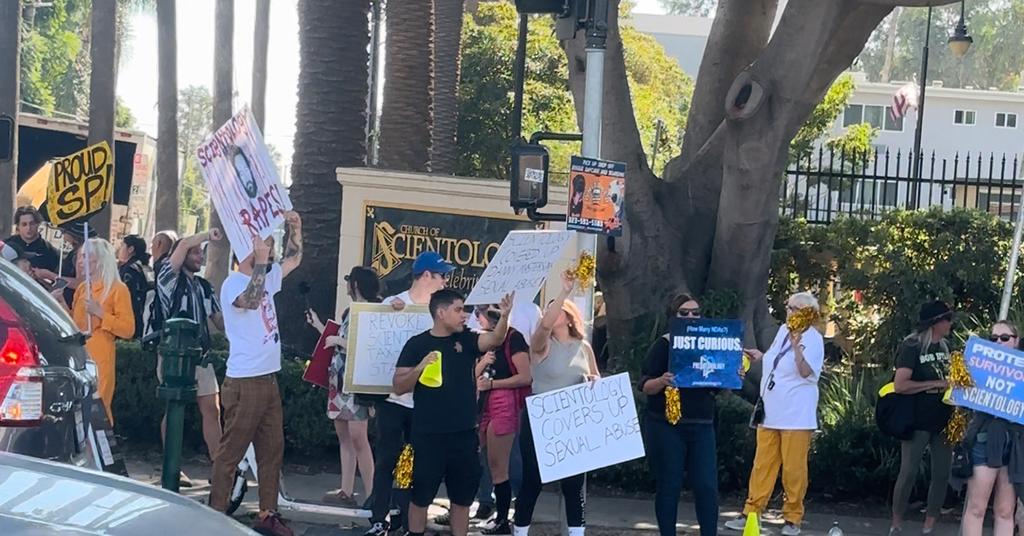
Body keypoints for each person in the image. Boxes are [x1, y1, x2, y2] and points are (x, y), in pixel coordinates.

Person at [209, 212, 302, 536]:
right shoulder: (233, 283)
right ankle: (216, 514)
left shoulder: (267, 273)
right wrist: (261, 263)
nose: (269, 246)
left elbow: (294, 259)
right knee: (230, 453)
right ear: (247, 250)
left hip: (268, 377)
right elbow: (249, 300)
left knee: (271, 450)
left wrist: (296, 228)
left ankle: (267, 513)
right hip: (244, 380)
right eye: (262, 243)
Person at [392, 289, 515, 536]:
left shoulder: (468, 339)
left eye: (465, 310)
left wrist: (504, 317)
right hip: (427, 436)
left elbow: (494, 340)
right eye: (458, 310)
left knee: (462, 500)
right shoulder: (417, 344)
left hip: (463, 436)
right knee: (421, 497)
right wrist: (420, 368)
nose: (464, 316)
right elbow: (398, 386)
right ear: (441, 312)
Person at [364, 251, 455, 536]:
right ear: (426, 275)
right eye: (441, 275)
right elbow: (372, 342)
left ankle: (405, 518)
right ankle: (379, 518)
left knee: (413, 463)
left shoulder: (440, 312)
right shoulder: (394, 304)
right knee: (386, 460)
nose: (444, 281)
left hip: (424, 403)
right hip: (393, 400)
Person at [724, 292, 825, 536]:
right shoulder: (782, 330)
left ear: (808, 314)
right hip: (771, 410)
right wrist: (760, 356)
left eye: (795, 309)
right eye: (789, 307)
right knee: (763, 465)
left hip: (797, 415)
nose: (789, 312)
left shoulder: (813, 338)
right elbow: (775, 361)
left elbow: (805, 372)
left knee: (793, 469)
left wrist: (797, 347)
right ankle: (752, 512)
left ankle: (792, 518)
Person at [514, 273, 600, 536]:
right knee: (532, 481)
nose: (551, 314)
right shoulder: (541, 345)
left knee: (574, 484)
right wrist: (563, 293)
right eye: (549, 310)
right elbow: (543, 327)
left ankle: (576, 533)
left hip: (572, 422)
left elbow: (596, 377)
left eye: (557, 309)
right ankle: (520, 531)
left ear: (569, 315)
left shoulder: (583, 346)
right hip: (541, 419)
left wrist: (593, 381)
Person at [641, 294, 733, 536]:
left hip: (702, 424)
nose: (691, 316)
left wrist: (732, 376)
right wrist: (661, 380)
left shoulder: (711, 345)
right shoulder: (663, 344)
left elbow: (718, 384)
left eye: (695, 312)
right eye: (684, 313)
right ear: (674, 316)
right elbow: (645, 386)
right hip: (667, 424)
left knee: (706, 486)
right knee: (669, 485)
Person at [306, 266, 380, 508]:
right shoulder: (350, 312)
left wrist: (338, 340)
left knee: (359, 437)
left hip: (356, 383)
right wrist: (320, 327)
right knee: (344, 436)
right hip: (338, 382)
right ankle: (346, 490)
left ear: (356, 285)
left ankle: (372, 494)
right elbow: (338, 339)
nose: (347, 285)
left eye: (350, 281)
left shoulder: (371, 311)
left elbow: (365, 346)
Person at [157, 228, 226, 486]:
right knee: (174, 408)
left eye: (201, 253)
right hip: (174, 355)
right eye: (195, 252)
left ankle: (219, 468)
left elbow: (219, 321)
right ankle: (171, 466)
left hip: (201, 355)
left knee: (212, 409)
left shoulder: (205, 287)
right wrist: (208, 234)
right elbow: (184, 243)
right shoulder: (168, 278)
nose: (199, 257)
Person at [887, 300, 955, 536]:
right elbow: (900, 385)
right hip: (917, 416)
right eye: (947, 319)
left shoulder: (947, 347)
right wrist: (936, 383)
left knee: (942, 472)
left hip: (943, 416)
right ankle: (896, 522)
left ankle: (930, 524)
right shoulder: (912, 346)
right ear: (935, 322)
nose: (950, 323)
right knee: (909, 471)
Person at [52, 238, 135, 424]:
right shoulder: (83, 288)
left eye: (85, 257)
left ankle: (102, 450)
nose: (80, 262)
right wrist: (62, 304)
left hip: (100, 357)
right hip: (79, 355)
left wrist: (101, 314)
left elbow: (128, 330)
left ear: (100, 260)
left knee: (99, 407)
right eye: (80, 257)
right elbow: (76, 323)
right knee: (78, 410)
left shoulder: (118, 289)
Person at [472, 303, 532, 535]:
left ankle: (503, 520)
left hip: (503, 401)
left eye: (480, 313)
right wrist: (482, 364)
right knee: (484, 460)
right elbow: (472, 376)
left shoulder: (513, 338)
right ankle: (496, 515)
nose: (477, 318)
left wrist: (493, 384)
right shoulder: (483, 340)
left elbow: (525, 376)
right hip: (484, 402)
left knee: (499, 465)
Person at [960, 321, 1023, 536]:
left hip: (1014, 443)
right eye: (994, 338)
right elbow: (962, 398)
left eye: (1004, 338)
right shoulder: (979, 365)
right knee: (977, 507)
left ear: (1016, 341)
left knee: (1005, 510)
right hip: (985, 440)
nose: (998, 341)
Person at [117, 234, 153, 340]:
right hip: (145, 318)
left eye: (122, 245)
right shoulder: (146, 268)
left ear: (131, 249)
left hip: (131, 318)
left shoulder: (129, 270)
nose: (119, 249)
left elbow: (126, 297)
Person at [6, 206, 59, 275]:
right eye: (24, 224)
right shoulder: (7, 244)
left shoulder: (51, 252)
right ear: (18, 226)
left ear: (38, 224)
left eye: (32, 223)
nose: (29, 228)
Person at [57, 222, 94, 304]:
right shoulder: (73, 252)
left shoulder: (81, 253)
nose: (62, 236)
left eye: (63, 232)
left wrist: (50, 275)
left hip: (73, 300)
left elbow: (80, 282)